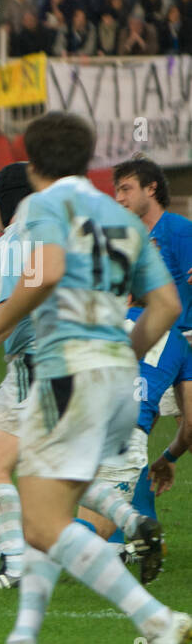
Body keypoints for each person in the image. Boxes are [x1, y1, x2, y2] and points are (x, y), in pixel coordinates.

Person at [0, 111, 188, 644]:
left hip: (67, 374)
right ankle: (23, 639)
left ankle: (156, 619)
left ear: (33, 165)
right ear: (88, 160)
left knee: (42, 522)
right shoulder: (121, 216)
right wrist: (121, 354)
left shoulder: (41, 206)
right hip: (119, 379)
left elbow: (45, 274)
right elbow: (164, 305)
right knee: (49, 511)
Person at [0, 162, 162, 590]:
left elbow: (10, 309)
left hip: (39, 364)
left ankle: (14, 565)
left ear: (5, 201)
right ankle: (132, 522)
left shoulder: (14, 240)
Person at [115, 157, 192, 505]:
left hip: (181, 341)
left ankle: (158, 470)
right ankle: (140, 525)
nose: (119, 197)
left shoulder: (177, 228)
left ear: (152, 189)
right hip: (154, 341)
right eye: (117, 189)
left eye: (126, 188)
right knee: (136, 427)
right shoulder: (132, 238)